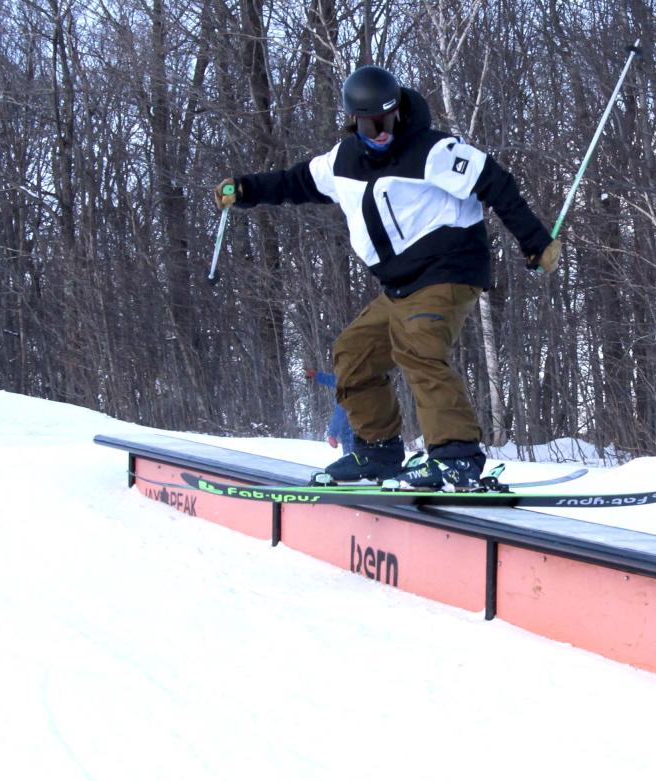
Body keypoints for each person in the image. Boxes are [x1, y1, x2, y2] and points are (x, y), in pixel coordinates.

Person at [214, 65, 561, 488]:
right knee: (352, 352)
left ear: (399, 113)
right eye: (370, 125)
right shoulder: (342, 161)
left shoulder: (432, 150)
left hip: (448, 268)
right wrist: (245, 190)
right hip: (400, 286)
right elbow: (297, 181)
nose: (382, 133)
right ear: (354, 122)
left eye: (388, 121)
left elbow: (494, 182)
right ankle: (377, 452)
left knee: (418, 345)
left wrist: (536, 242)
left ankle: (456, 456)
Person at [305, 367, 354, 454]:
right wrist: (316, 375)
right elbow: (332, 380)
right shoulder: (359, 379)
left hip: (353, 435)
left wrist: (332, 434)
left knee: (354, 461)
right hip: (370, 435)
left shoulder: (349, 388)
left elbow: (340, 413)